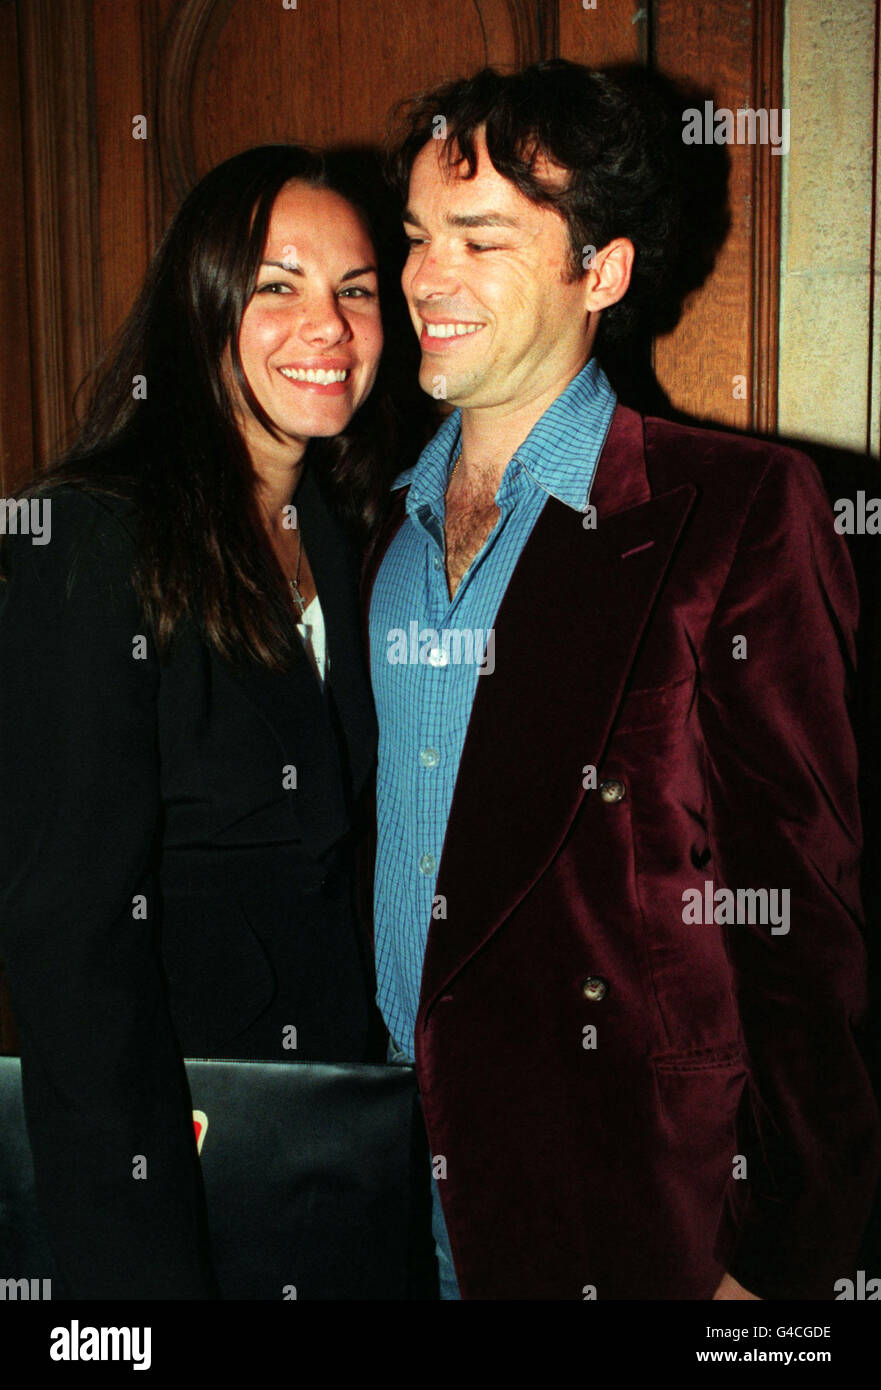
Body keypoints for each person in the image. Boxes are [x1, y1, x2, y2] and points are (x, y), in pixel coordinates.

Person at [366, 61, 881, 1300]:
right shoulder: (373, 517)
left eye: (480, 239)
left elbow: (806, 921)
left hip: (632, 1201)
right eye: (419, 236)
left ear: (599, 272)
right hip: (390, 1170)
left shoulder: (737, 512)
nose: (425, 279)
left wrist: (770, 1255)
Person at [0, 144, 389, 1299]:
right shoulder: (92, 537)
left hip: (328, 1141)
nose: (326, 324)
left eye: (355, 290)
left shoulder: (351, 538)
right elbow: (74, 952)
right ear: (203, 304)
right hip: (177, 1159)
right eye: (277, 285)